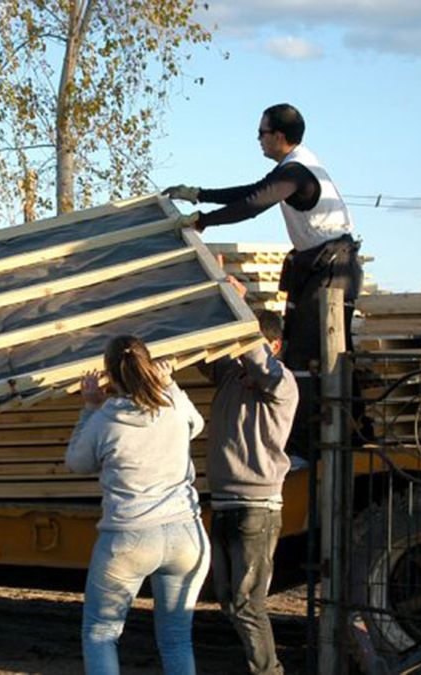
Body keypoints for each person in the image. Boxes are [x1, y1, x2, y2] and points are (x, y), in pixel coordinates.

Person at [162, 103, 363, 371]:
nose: (258, 139)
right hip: (319, 264)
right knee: (299, 344)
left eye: (261, 133)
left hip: (332, 268)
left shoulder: (296, 171)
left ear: (278, 136)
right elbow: (253, 191)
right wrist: (199, 194)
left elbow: (253, 204)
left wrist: (204, 220)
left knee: (309, 353)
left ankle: (318, 399)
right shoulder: (293, 165)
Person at [65, 336, 209, 675]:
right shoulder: (172, 403)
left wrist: (90, 407)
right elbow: (197, 425)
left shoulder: (105, 419)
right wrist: (169, 383)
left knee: (101, 634)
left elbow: (77, 462)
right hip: (186, 534)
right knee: (177, 640)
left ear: (109, 375)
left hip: (129, 537)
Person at [198, 308, 298, 675]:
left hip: (256, 507)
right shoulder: (231, 375)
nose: (241, 354)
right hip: (225, 503)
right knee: (228, 599)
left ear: (275, 346)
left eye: (248, 345)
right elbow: (204, 349)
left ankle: (268, 671)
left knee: (247, 602)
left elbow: (258, 360)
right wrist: (217, 300)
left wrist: (240, 310)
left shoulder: (282, 384)